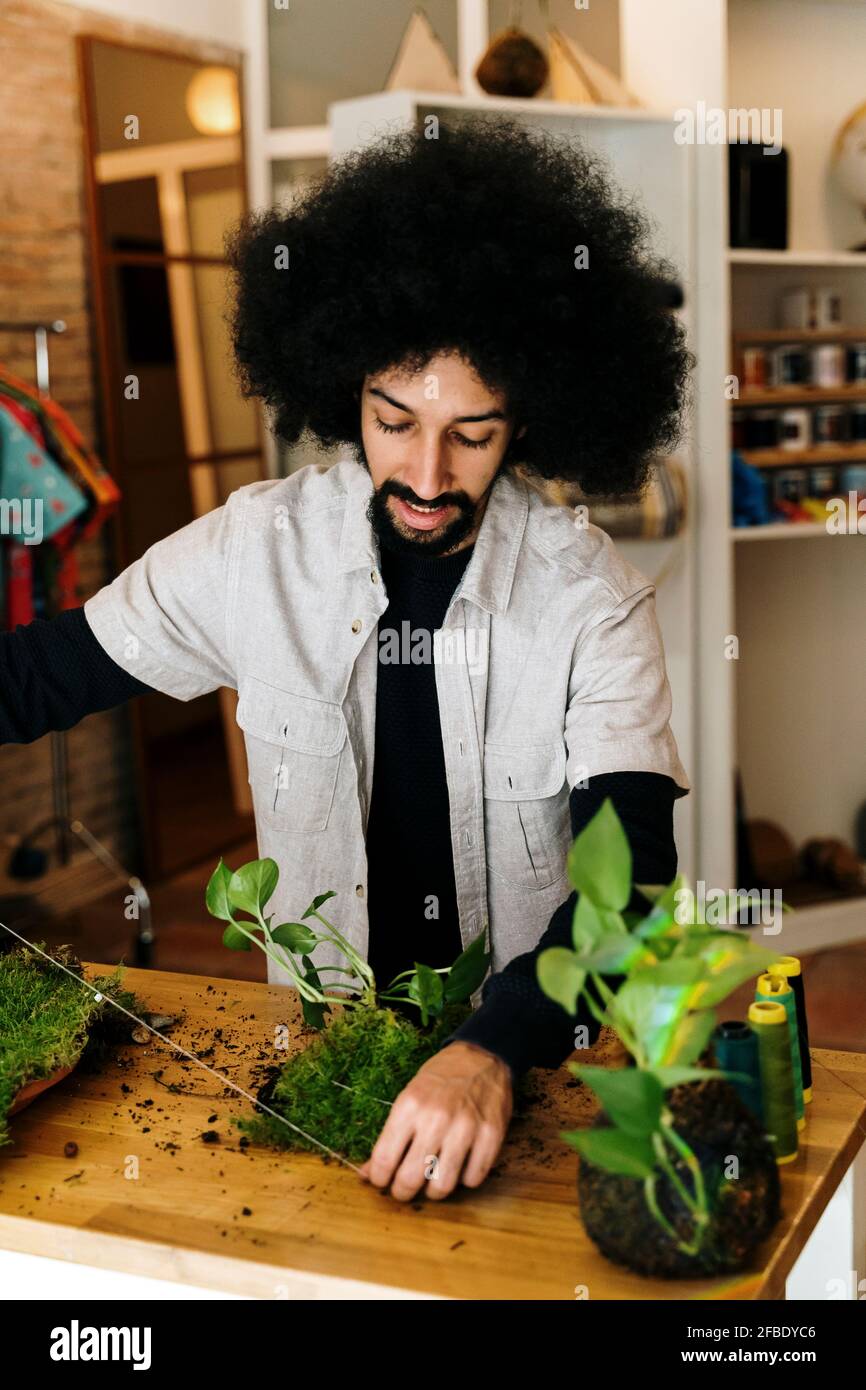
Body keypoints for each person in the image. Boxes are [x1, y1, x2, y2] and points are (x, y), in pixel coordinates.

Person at [0, 119, 690, 1203]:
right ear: (340, 387)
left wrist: (492, 1049)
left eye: (472, 431)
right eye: (392, 419)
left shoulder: (588, 600)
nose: (425, 469)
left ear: (526, 427)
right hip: (319, 1061)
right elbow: (39, 677)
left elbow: (635, 876)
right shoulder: (252, 551)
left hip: (537, 1070)